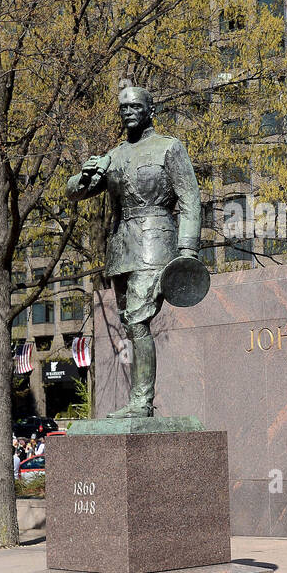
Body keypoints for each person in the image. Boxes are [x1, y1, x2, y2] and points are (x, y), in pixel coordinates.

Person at [67, 84, 202, 417]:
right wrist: (84, 176)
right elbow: (74, 192)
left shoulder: (168, 148)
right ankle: (138, 402)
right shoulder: (114, 155)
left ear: (149, 111)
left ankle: (142, 402)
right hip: (121, 249)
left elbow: (190, 200)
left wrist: (188, 251)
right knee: (130, 323)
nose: (127, 112)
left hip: (156, 244)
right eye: (123, 108)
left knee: (139, 319)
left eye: (134, 107)